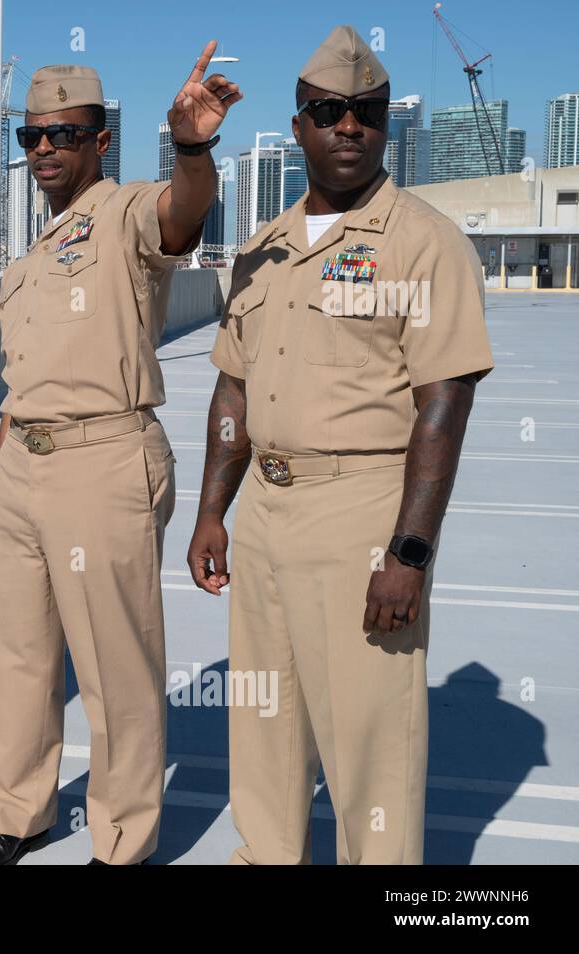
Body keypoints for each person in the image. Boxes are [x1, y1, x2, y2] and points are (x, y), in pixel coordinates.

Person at [186, 25, 493, 864]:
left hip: (364, 513)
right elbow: (234, 387)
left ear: (385, 124)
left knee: (370, 742)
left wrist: (411, 550)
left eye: (368, 112)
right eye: (329, 111)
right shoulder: (263, 248)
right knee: (264, 721)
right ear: (299, 128)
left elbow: (444, 403)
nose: (349, 126)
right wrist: (214, 510)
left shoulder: (422, 241)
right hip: (267, 517)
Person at [0, 44, 240, 865]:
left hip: (105, 458)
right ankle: (18, 813)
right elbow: (21, 387)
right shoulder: (27, 263)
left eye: (64, 134)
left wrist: (192, 147)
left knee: (115, 665)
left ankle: (122, 838)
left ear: (100, 140)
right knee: (20, 658)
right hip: (23, 467)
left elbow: (185, 212)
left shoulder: (125, 215)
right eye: (31, 136)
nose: (45, 148)